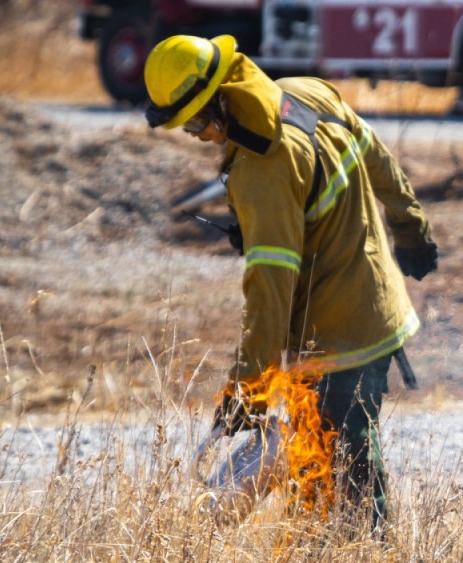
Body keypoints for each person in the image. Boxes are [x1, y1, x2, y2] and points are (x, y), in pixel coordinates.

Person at [142, 34, 438, 530]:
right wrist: (412, 228)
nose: (196, 135)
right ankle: (329, 560)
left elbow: (270, 287)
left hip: (338, 335)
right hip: (379, 304)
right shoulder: (306, 91)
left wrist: (249, 386)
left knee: (346, 476)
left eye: (194, 122)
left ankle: (370, 561)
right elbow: (379, 157)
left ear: (222, 99)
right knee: (316, 472)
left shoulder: (263, 170)